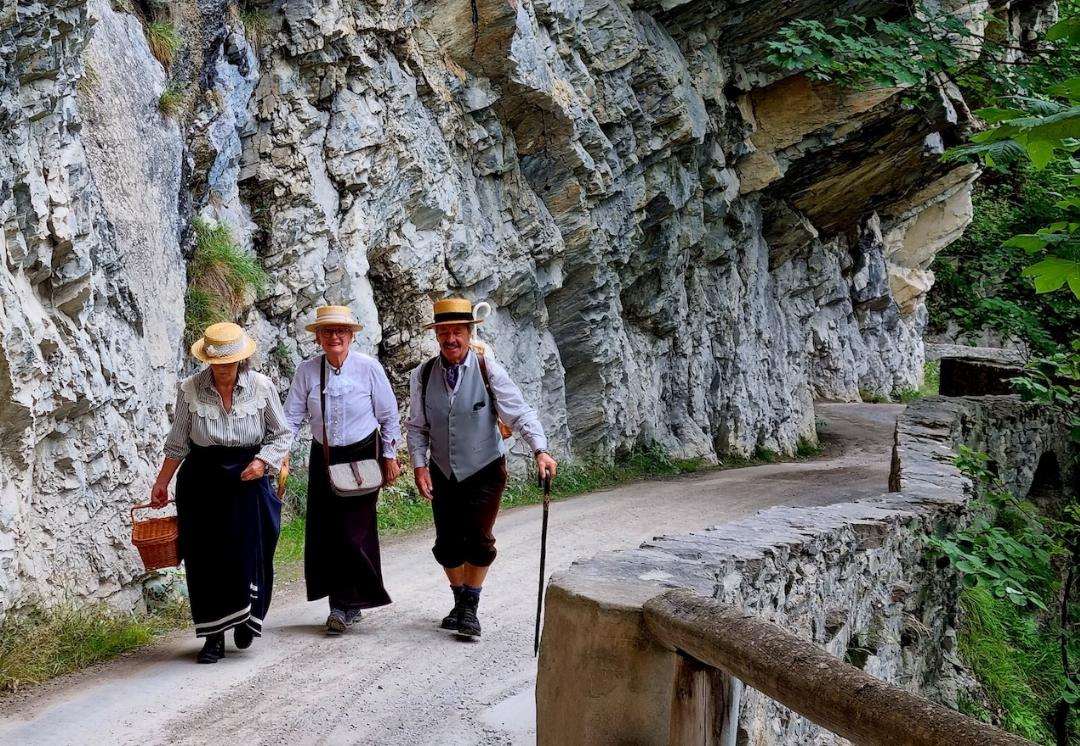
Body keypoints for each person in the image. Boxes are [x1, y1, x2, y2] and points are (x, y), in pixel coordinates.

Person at [406, 298, 557, 638]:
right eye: (443, 332)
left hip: (485, 469)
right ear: (436, 336)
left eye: (456, 332)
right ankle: (460, 600)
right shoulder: (423, 374)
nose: (450, 339)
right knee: (446, 544)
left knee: (478, 540)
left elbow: (520, 413)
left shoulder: (488, 368)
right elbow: (417, 427)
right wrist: (419, 465)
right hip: (442, 470)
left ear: (469, 333)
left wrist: (541, 450)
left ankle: (469, 607)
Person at [150, 322, 292, 664]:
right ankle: (212, 637)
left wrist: (262, 463)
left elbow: (281, 435)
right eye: (217, 363)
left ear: (241, 360)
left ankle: (246, 620)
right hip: (202, 482)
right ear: (207, 361)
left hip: (248, 477)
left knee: (253, 552)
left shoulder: (261, 387)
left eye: (230, 362)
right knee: (206, 559)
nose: (223, 368)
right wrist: (161, 482)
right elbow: (178, 441)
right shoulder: (190, 389)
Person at [283, 305, 402, 634]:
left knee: (353, 533)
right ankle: (343, 602)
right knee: (326, 532)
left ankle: (346, 604)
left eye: (341, 331)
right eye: (327, 331)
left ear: (351, 336)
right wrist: (281, 454)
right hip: (324, 457)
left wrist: (390, 457)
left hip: (363, 456)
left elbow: (389, 417)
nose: (334, 337)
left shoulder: (368, 368)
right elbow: (291, 419)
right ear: (318, 337)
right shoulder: (307, 371)